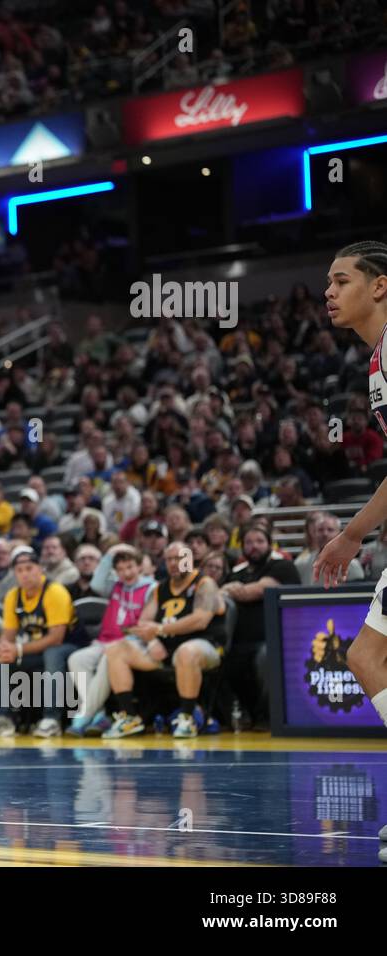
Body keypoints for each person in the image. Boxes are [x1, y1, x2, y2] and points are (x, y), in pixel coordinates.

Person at [314, 247, 387, 862]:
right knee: (366, 656)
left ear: (380, 286)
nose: (330, 292)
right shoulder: (375, 363)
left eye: (342, 280)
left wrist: (353, 532)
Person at [103, 542, 225, 738]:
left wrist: (160, 629)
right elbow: (144, 622)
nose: (174, 563)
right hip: (166, 649)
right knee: (116, 649)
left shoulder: (204, 583)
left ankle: (187, 717)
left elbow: (201, 620)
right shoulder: (160, 589)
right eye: (169, 559)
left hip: (205, 647)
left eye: (179, 558)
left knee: (187, 652)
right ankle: (130, 718)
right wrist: (152, 641)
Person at [0, 546, 78, 737]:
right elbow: (8, 635)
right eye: (20, 570)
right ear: (14, 573)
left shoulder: (55, 591)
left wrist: (18, 649)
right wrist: (6, 649)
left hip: (71, 647)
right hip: (39, 648)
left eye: (29, 568)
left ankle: (51, 719)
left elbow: (57, 638)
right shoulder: (13, 596)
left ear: (40, 569)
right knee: (1, 657)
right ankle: (2, 717)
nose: (25, 574)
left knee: (53, 653)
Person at [65, 547, 155, 736]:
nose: (126, 573)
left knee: (109, 658)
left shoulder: (151, 588)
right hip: (104, 641)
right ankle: (99, 717)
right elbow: (97, 582)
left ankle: (84, 716)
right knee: (77, 658)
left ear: (139, 567)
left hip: (131, 644)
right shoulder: (115, 586)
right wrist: (110, 553)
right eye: (120, 569)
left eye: (130, 567)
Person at [222, 523, 300, 726]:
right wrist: (230, 587)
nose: (253, 546)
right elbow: (221, 594)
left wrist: (231, 589)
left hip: (276, 639)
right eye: (248, 542)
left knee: (265, 658)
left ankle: (269, 715)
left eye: (259, 541)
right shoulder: (236, 572)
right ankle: (247, 713)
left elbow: (254, 591)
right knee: (226, 663)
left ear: (269, 544)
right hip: (241, 642)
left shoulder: (282, 566)